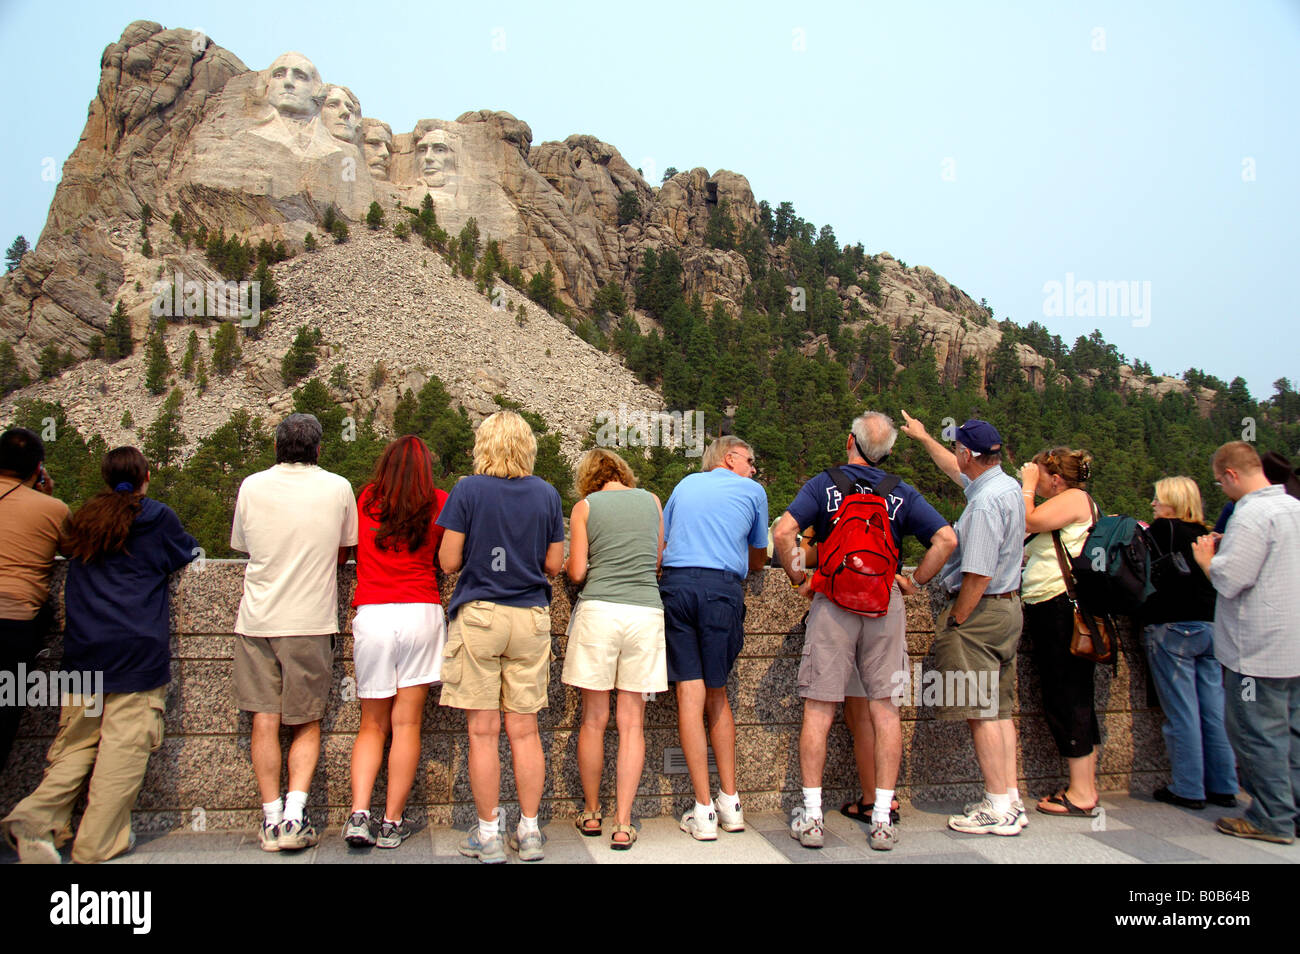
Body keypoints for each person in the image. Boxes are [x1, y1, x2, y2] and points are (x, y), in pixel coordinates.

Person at [2, 447, 197, 863]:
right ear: (146, 475)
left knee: (74, 744)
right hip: (135, 650)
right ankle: (96, 844)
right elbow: (188, 552)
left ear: (105, 478)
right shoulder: (157, 517)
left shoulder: (84, 517)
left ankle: (35, 819)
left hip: (84, 646)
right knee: (123, 748)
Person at [773, 412, 956, 850]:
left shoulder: (825, 483)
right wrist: (915, 582)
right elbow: (947, 540)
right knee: (885, 709)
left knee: (819, 708)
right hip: (883, 603)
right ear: (888, 452)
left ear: (849, 442)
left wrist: (802, 579)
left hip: (833, 601)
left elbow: (783, 533)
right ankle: (882, 819)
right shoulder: (900, 491)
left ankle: (813, 817)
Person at [437, 411, 565, 863]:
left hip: (481, 614)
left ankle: (489, 834)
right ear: (527, 447)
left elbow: (449, 561)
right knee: (525, 731)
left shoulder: (468, 490)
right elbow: (554, 564)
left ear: (484, 446)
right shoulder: (547, 494)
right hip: (530, 616)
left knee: (483, 731)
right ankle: (529, 832)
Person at [230, 413, 359, 852]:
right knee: (306, 720)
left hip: (257, 619)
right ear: (319, 449)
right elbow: (343, 554)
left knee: (263, 720)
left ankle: (269, 816)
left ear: (276, 447)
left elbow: (246, 547)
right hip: (310, 619)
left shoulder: (250, 486)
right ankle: (294, 816)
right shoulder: (339, 488)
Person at [899, 412, 1027, 835]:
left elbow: (978, 573)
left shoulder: (986, 503)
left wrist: (957, 619)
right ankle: (1010, 798)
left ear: (969, 453)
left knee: (981, 712)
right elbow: (956, 471)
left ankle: (995, 805)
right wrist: (922, 438)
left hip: (981, 611)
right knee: (1001, 709)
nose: (955, 456)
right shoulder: (1006, 486)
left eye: (957, 449)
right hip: (1009, 610)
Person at [660, 436, 768, 841]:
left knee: (689, 695)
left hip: (677, 585)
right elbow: (758, 558)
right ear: (730, 457)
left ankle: (702, 811)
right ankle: (731, 801)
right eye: (751, 460)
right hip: (722, 590)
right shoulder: (753, 492)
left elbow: (664, 539)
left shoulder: (685, 484)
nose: (754, 469)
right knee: (717, 695)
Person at [1192, 441, 1300, 844]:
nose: (1222, 489)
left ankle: (1272, 819)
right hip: (1294, 643)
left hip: (1257, 649)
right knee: (1292, 732)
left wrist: (1208, 560)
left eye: (1220, 482)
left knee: (1257, 734)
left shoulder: (1251, 514)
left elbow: (1232, 579)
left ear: (1232, 474)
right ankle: (1292, 811)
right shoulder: (1293, 507)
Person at [344, 436, 449, 850]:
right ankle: (391, 821)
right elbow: (445, 558)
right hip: (421, 611)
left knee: (371, 725)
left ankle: (358, 814)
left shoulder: (367, 497)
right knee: (407, 724)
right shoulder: (438, 501)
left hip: (374, 613)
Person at [562, 448, 665, 850]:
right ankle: (623, 822)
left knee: (593, 719)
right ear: (623, 473)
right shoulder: (652, 502)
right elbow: (656, 561)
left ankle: (591, 813)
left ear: (589, 478)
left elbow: (577, 572)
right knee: (632, 723)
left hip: (600, 611)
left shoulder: (585, 507)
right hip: (644, 613)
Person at [1141, 476, 1237, 810]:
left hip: (1171, 626)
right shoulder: (1207, 536)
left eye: (1158, 498)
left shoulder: (1160, 531)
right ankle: (1224, 787)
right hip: (1211, 626)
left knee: (1182, 712)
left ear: (1172, 503)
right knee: (1213, 710)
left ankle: (1188, 788)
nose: (1153, 504)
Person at [1018, 447, 1103, 817]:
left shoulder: (1073, 498)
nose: (1036, 480)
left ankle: (1082, 792)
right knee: (1074, 694)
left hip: (1058, 609)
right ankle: (1084, 784)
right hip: (1056, 608)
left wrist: (1026, 487)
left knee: (1066, 694)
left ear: (1055, 478)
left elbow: (1029, 521)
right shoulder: (1075, 500)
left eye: (1040, 475)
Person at [0, 428, 70, 774]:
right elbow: (74, 552)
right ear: (39, 469)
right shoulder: (52, 509)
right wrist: (46, 495)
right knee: (4, 720)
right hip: (15, 628)